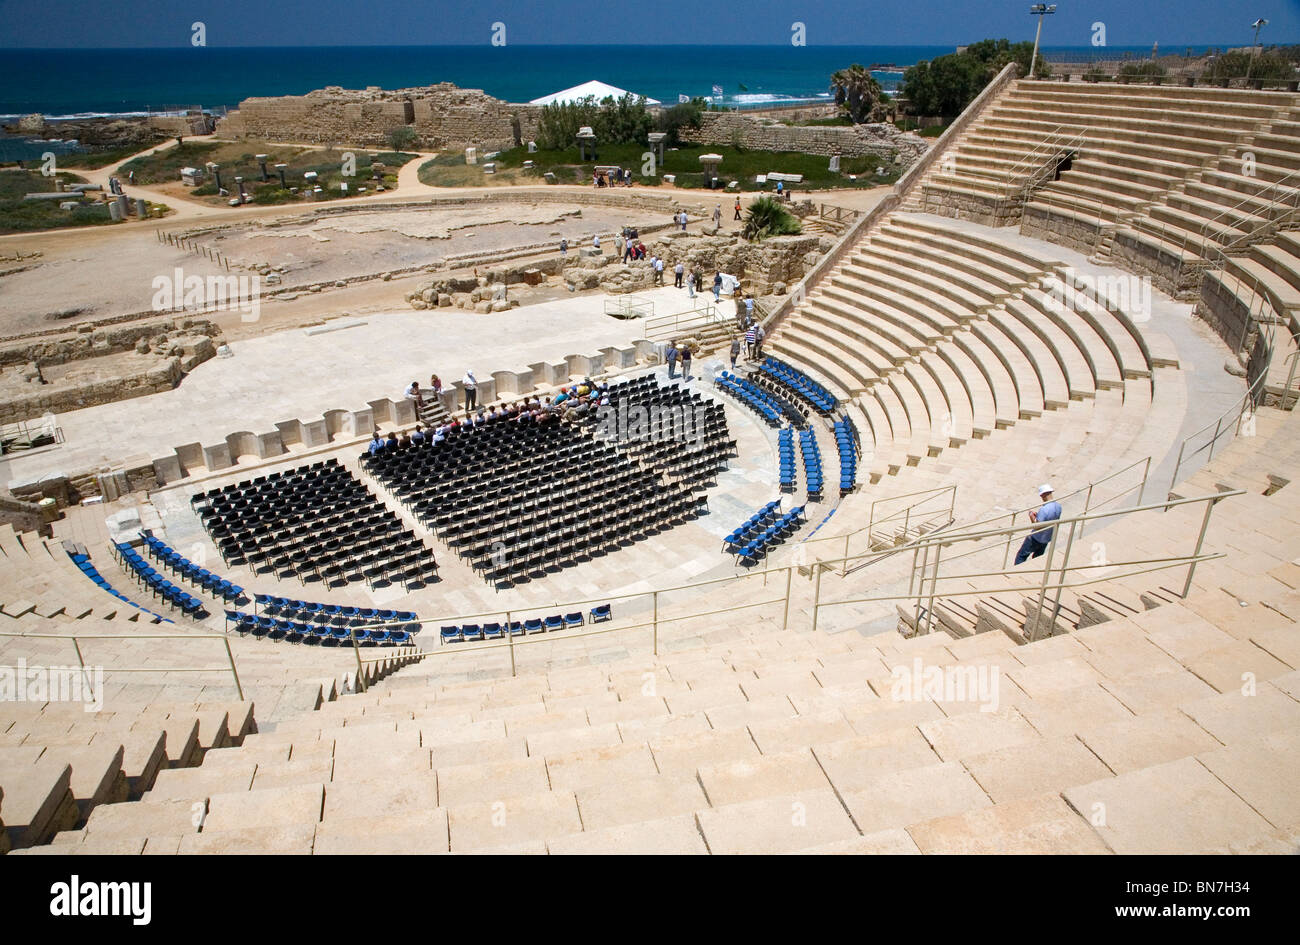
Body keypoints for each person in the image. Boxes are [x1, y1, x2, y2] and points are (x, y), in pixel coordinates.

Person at [1015, 485, 1064, 565]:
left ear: (1043, 495)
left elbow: (1036, 526)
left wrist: (1031, 517)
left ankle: (1016, 571)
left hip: (1035, 538)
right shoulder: (1058, 506)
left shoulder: (1044, 509)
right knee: (1037, 558)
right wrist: (1038, 516)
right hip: (1047, 538)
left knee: (1021, 556)